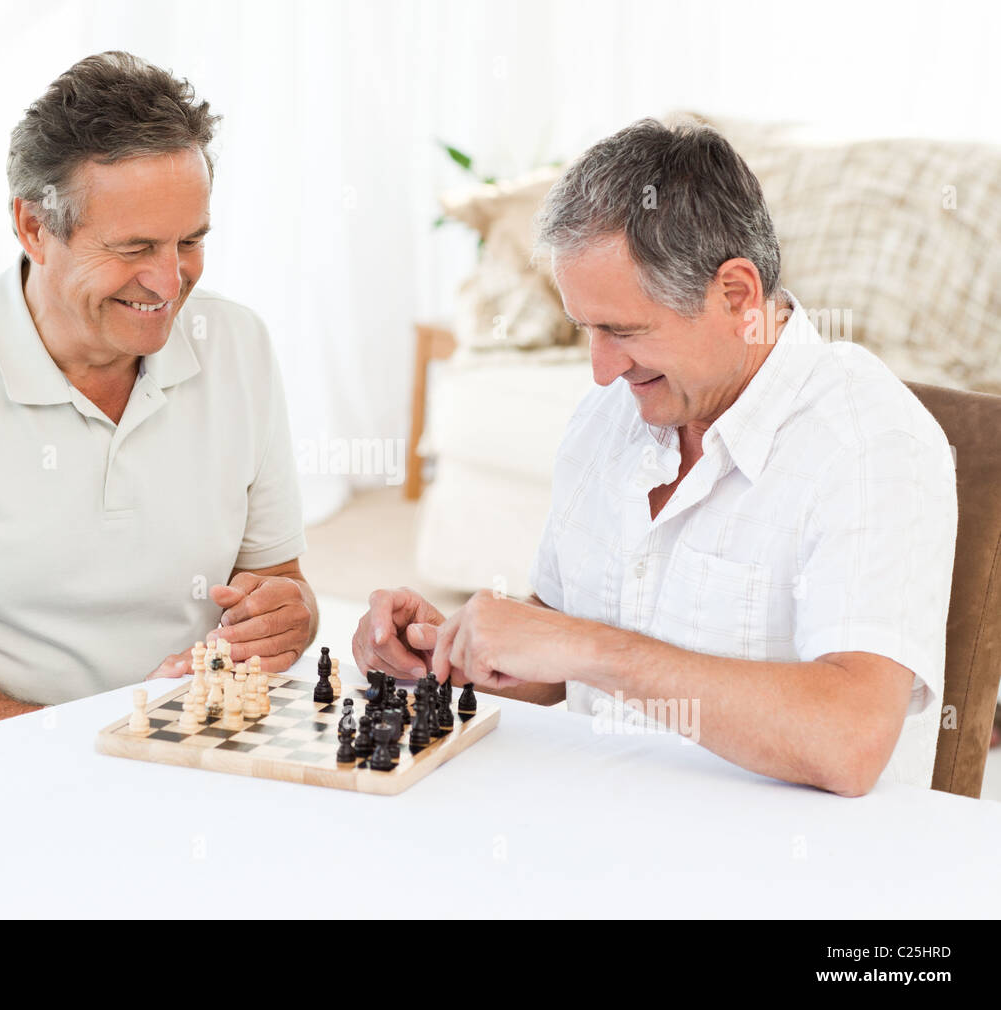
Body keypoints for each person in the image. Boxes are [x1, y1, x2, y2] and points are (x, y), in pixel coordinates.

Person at [353, 119, 956, 796]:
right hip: (600, 823)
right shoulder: (615, 416)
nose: (602, 370)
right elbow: (562, 659)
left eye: (623, 330)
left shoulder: (869, 444)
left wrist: (591, 649)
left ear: (735, 295)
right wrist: (457, 647)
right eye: (586, 328)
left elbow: (850, 741)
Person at [0, 52, 317, 764]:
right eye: (134, 247)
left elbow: (278, 580)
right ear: (33, 228)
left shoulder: (238, 345)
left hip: (164, 753)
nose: (169, 281)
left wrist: (290, 614)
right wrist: (88, 743)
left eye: (191, 241)